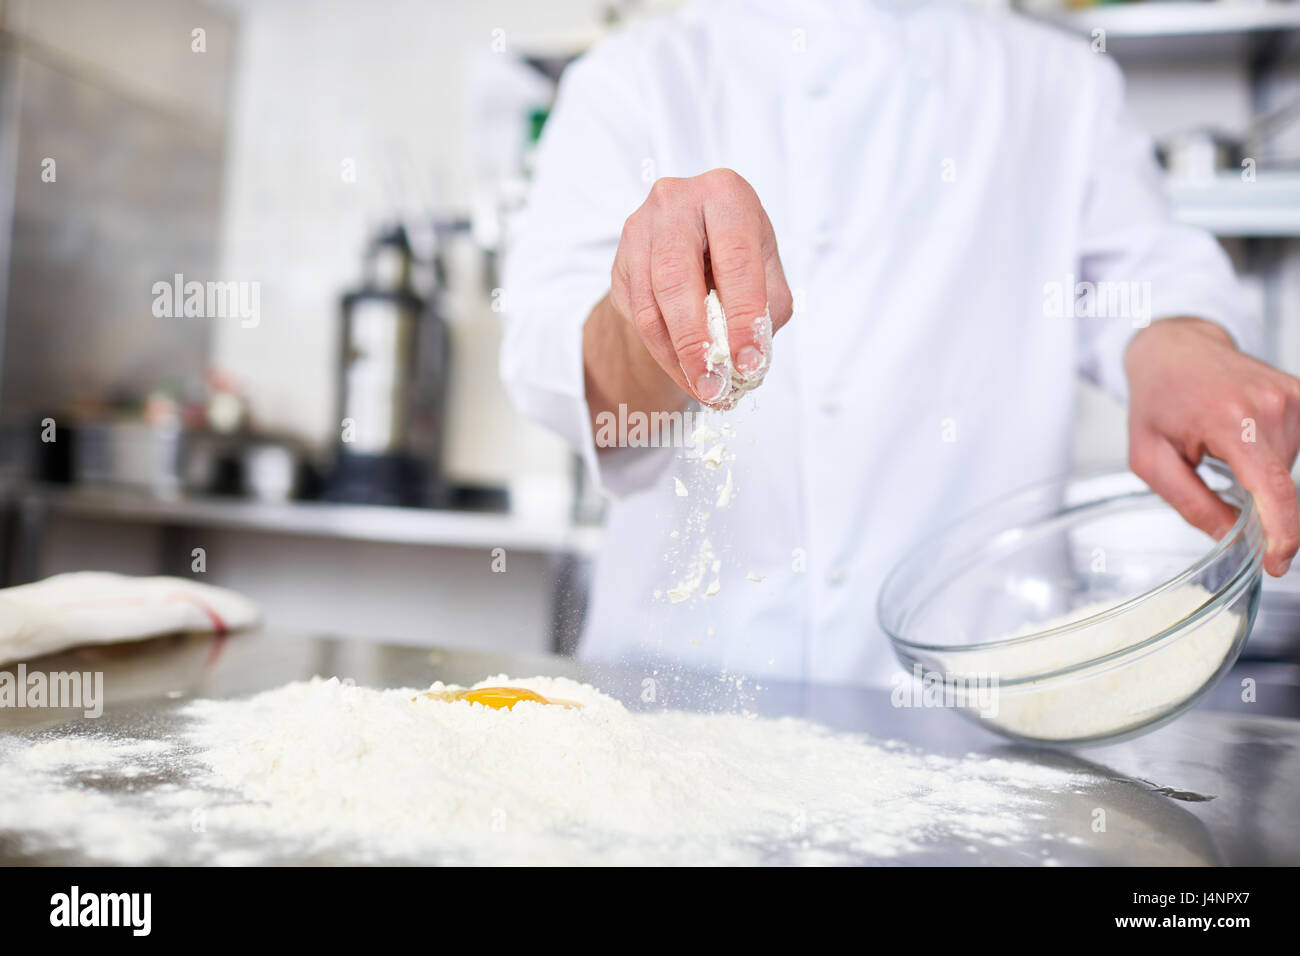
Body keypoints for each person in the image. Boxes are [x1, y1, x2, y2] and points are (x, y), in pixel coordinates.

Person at [501, 0, 1300, 685]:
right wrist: (656, 306)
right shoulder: (636, 77)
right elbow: (574, 388)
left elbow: (1152, 280)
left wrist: (1181, 339)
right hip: (681, 705)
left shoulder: (1059, 86)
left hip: (978, 715)